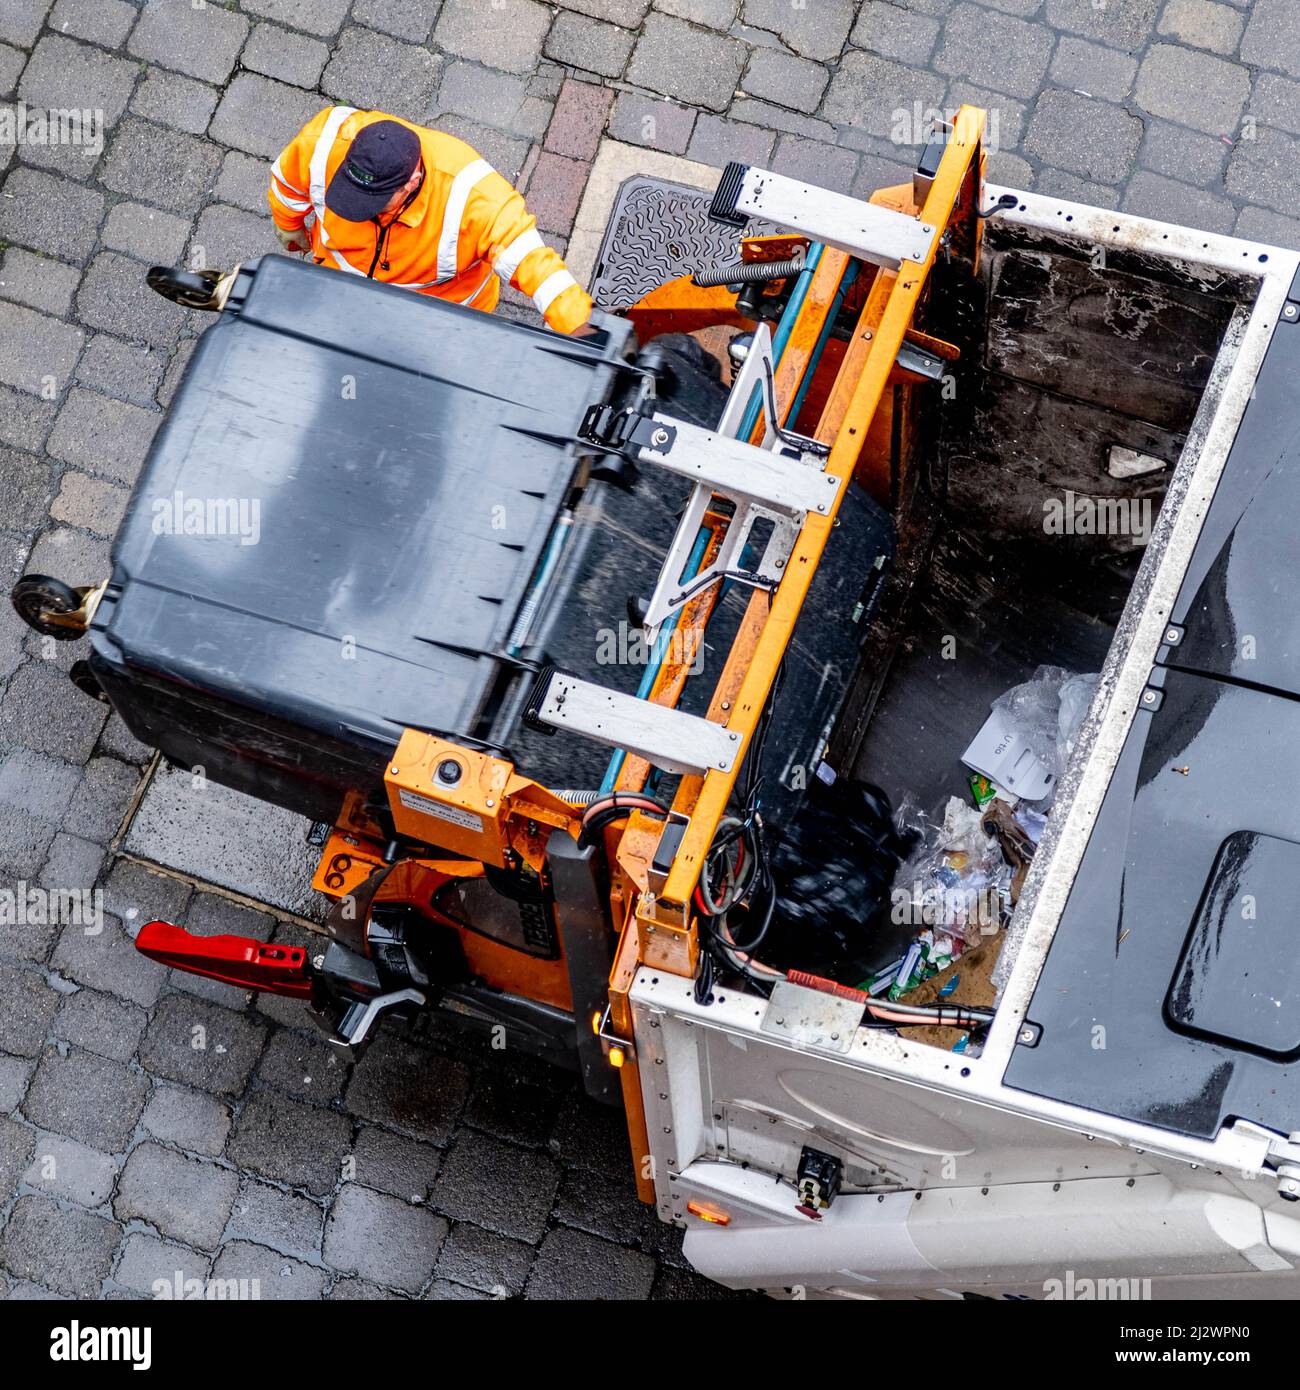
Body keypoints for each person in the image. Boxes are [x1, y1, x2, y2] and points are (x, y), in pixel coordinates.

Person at [268, 106, 592, 335]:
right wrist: (289, 227)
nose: (360, 209)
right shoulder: (323, 143)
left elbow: (534, 264)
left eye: (375, 203)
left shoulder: (475, 199)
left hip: (438, 323)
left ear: (412, 180)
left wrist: (577, 324)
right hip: (341, 293)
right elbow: (288, 182)